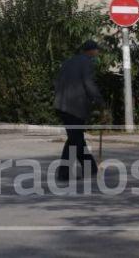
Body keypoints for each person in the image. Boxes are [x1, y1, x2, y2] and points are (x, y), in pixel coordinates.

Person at [54, 39, 105, 182]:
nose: (97, 53)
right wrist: (99, 100)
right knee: (75, 139)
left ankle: (90, 169)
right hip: (75, 107)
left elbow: (57, 82)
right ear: (92, 50)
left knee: (75, 138)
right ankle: (64, 174)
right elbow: (88, 83)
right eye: (96, 50)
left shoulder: (68, 61)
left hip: (62, 105)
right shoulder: (87, 62)